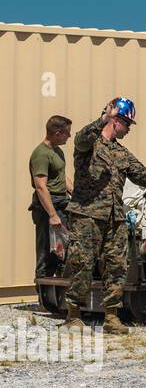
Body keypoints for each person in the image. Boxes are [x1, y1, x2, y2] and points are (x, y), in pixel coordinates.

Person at [63, 98, 146, 333]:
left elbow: (142, 175)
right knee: (82, 265)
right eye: (127, 124)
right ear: (116, 121)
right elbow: (80, 138)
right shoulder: (89, 144)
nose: (129, 130)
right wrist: (102, 119)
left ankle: (111, 317)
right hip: (86, 215)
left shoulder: (121, 153)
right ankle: (73, 315)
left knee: (117, 266)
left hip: (114, 217)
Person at [30, 115, 73, 281]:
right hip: (48, 205)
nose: (69, 136)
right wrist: (52, 215)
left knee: (63, 249)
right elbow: (41, 186)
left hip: (62, 203)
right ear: (57, 133)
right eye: (66, 133)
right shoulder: (41, 154)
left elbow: (61, 177)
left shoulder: (58, 152)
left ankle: (59, 290)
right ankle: (43, 294)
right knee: (45, 250)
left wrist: (75, 194)